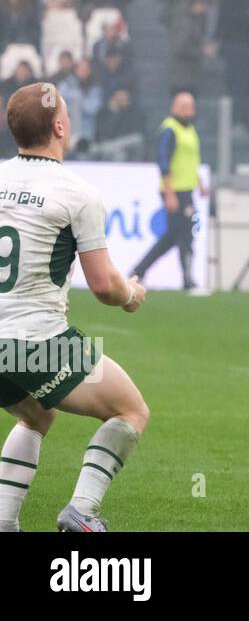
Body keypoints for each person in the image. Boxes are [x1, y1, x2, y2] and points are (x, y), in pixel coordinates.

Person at [0, 83, 150, 533]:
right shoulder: (77, 192)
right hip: (35, 343)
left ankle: (4, 521)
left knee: (38, 413)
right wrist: (131, 296)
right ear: (60, 126)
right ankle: (81, 510)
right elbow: (104, 286)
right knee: (131, 410)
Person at [131, 92, 206, 290]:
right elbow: (163, 160)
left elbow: (189, 160)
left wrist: (200, 183)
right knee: (185, 234)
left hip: (187, 189)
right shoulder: (169, 130)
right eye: (184, 106)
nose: (188, 110)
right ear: (174, 108)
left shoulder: (189, 130)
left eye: (190, 106)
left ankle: (140, 270)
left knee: (175, 235)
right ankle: (187, 278)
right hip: (175, 190)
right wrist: (170, 193)